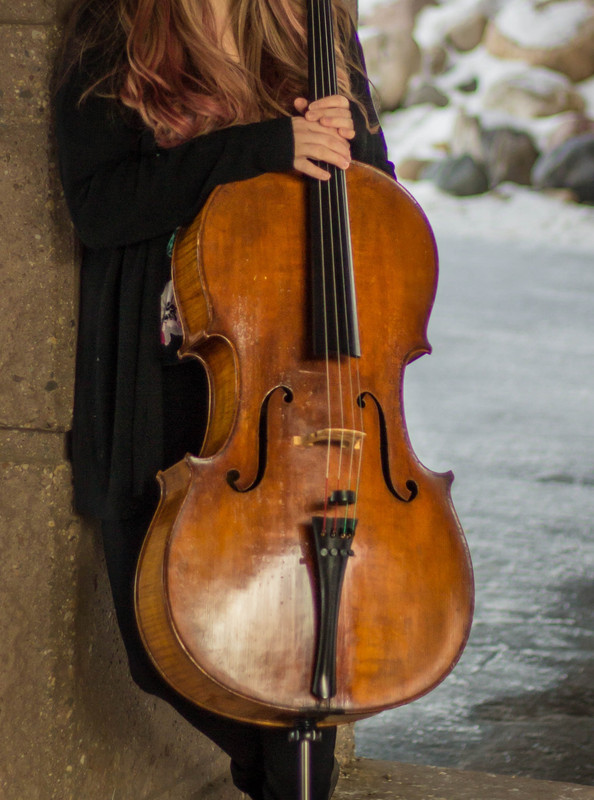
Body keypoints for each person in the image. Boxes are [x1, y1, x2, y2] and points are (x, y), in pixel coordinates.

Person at [54, 0, 395, 797]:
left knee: (298, 656)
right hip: (162, 374)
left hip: (304, 384)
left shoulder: (316, 23)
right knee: (157, 650)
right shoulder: (113, 24)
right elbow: (100, 207)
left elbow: (376, 198)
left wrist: (358, 144)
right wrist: (265, 146)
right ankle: (281, 775)